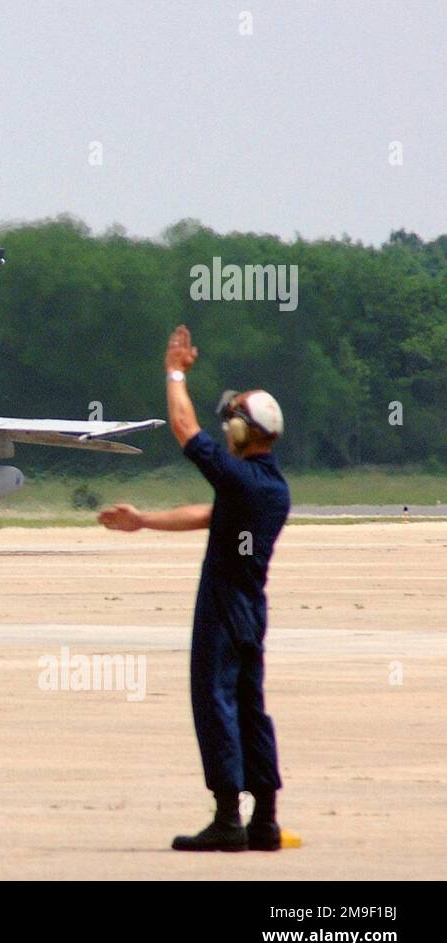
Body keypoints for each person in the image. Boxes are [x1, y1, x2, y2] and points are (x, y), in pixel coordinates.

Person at [98, 325, 291, 852]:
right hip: (251, 611)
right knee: (250, 707)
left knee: (215, 703)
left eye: (232, 425)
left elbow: (184, 428)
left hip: (224, 608)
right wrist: (144, 521)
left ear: (244, 433)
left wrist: (175, 372)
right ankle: (265, 822)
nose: (225, 432)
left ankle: (228, 819)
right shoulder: (271, 489)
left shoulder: (241, 479)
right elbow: (209, 515)